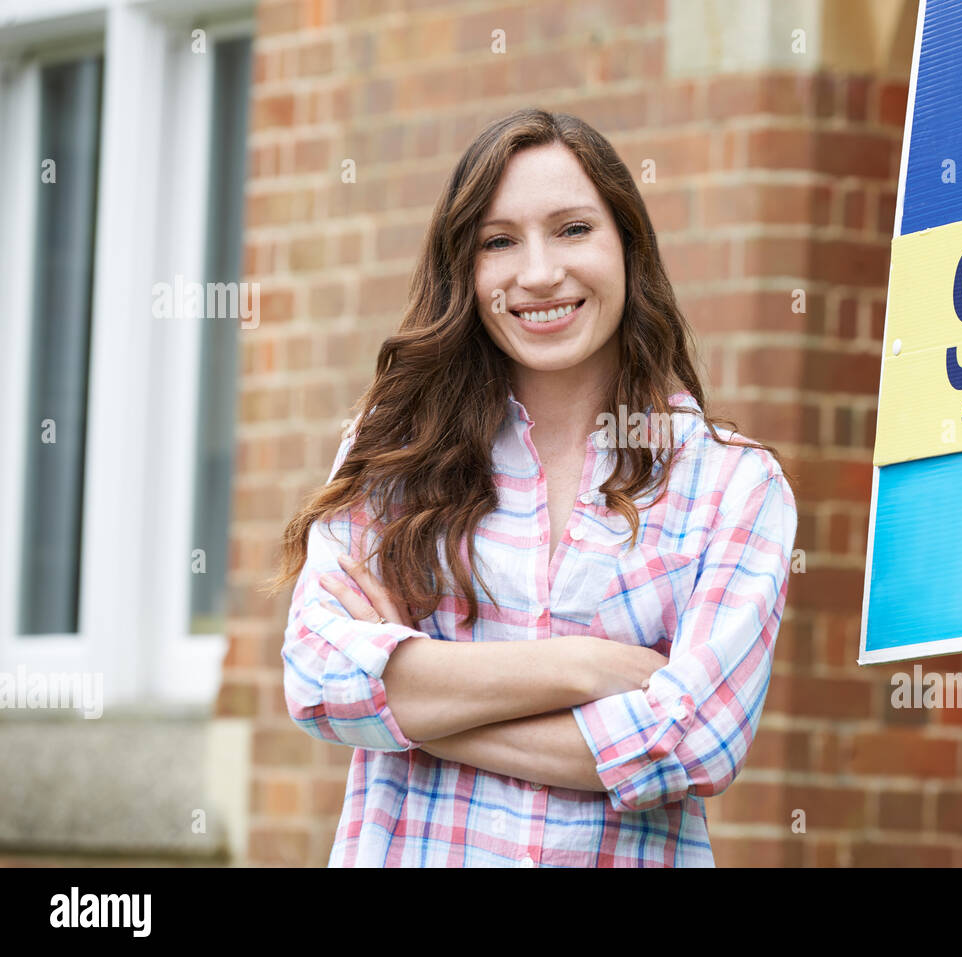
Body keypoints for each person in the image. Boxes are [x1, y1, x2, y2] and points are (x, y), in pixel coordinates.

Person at [267, 107, 798, 867]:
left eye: (574, 229)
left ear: (628, 248)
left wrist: (411, 695)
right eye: (500, 241)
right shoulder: (395, 451)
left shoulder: (732, 485)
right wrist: (582, 668)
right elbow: (318, 677)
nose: (539, 272)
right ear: (466, 269)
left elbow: (694, 741)